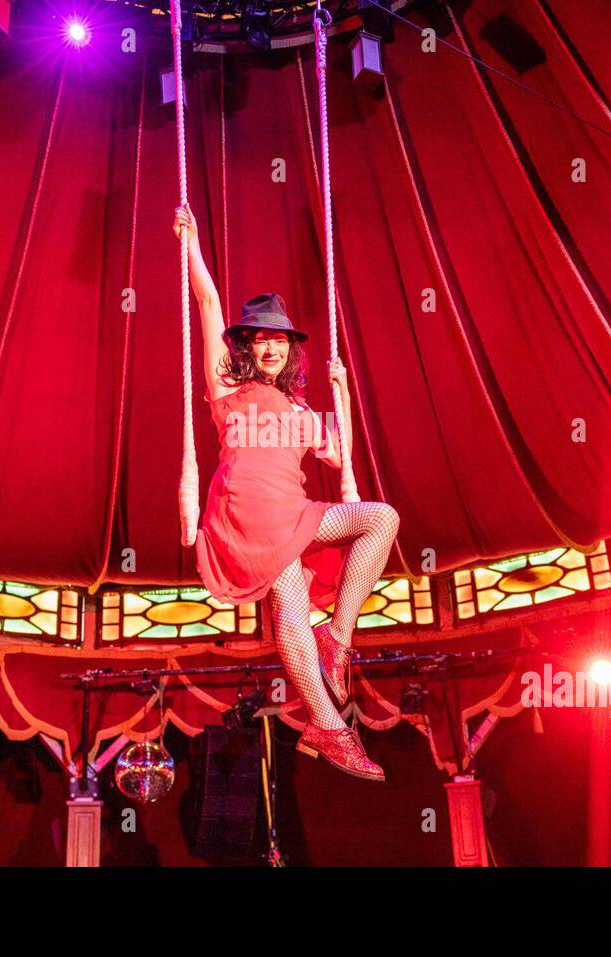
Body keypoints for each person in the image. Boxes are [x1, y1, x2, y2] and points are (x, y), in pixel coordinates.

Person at [173, 202, 400, 782]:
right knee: (290, 615)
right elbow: (206, 303)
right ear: (245, 344)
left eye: (279, 340)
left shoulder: (298, 409)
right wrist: (192, 245)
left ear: (288, 348)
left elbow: (338, 452)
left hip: (296, 517)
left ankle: (339, 641)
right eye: (261, 339)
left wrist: (342, 394)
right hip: (248, 518)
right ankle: (331, 724)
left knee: (380, 519)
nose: (271, 348)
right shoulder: (226, 381)